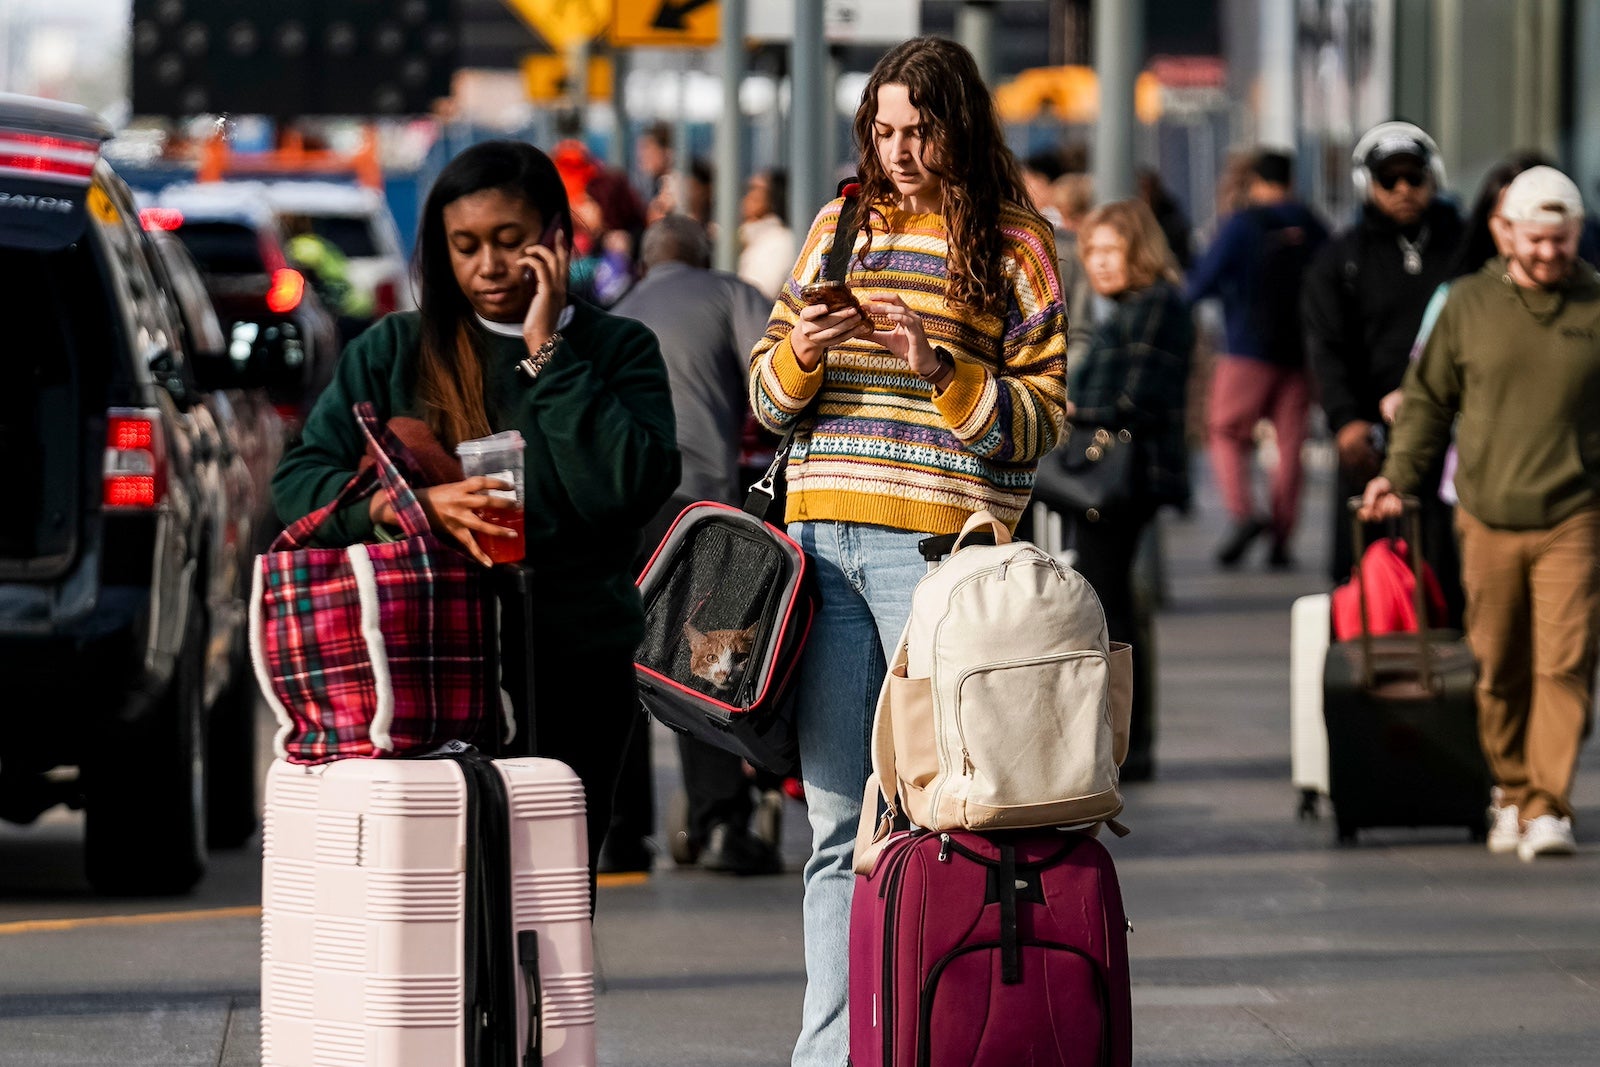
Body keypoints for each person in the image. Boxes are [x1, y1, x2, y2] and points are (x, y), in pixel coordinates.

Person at [749, 36, 1068, 1065]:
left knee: (944, 814)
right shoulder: (838, 224)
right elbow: (765, 397)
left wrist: (936, 364)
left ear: (959, 125)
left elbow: (1038, 421)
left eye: (918, 130)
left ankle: (933, 1033)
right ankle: (830, 1051)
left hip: (940, 558)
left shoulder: (1016, 245)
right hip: (822, 546)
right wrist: (802, 350)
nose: (897, 151)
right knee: (836, 827)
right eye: (882, 131)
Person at [271, 140, 681, 891]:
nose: (488, 266)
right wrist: (414, 506)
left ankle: (541, 1017)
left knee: (551, 895)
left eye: (509, 241)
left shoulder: (618, 347)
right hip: (425, 661)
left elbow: (624, 487)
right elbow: (299, 483)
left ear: (557, 237)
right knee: (435, 896)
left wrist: (548, 353)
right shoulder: (395, 349)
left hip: (575, 664)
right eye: (466, 247)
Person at [1358, 165, 1600, 862]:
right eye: (1539, 239)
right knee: (1497, 663)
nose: (1552, 252)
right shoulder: (1466, 304)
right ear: (1508, 234)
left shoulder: (1595, 303)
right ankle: (1510, 788)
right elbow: (1428, 399)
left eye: (1563, 239)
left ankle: (1549, 803)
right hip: (1487, 512)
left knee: (1567, 660)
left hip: (1574, 514)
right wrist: (1396, 478)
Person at [612, 215, 782, 875]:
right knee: (705, 662)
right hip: (695, 503)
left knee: (624, 667)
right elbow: (775, 380)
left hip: (624, 506)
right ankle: (718, 824)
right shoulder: (729, 292)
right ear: (705, 254)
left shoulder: (619, 310)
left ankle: (620, 834)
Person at [1302, 120, 1466, 593]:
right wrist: (1345, 420)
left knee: (1442, 562)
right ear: (1365, 183)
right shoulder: (1340, 258)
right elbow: (1324, 346)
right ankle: (1367, 656)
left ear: (1432, 177)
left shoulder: (1462, 246)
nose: (1403, 189)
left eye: (1414, 177)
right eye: (1388, 179)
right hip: (1367, 435)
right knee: (1365, 566)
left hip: (1448, 429)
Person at [1068, 199, 1195, 781]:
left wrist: (1073, 408)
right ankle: (1124, 737)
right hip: (1118, 477)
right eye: (1091, 251)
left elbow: (1138, 398)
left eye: (1112, 250)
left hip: (1125, 477)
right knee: (1112, 601)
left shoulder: (1157, 304)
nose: (1100, 263)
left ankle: (1126, 740)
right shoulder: (1124, 308)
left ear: (1138, 250)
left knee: (1110, 606)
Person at [1185, 149, 1329, 568]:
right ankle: (1282, 539)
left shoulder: (1242, 225)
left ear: (1254, 181)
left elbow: (1199, 285)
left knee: (1226, 432)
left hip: (1245, 352)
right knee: (1290, 446)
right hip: (1300, 356)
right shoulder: (1313, 225)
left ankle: (1245, 514)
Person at [738, 168, 796, 301]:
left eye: (754, 189)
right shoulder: (756, 237)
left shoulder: (779, 241)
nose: (747, 197)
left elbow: (758, 295)